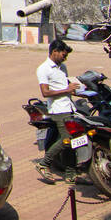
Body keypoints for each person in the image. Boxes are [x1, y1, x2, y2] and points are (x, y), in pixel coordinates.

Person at [34, 39, 83, 182]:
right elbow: (45, 92)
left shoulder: (63, 67)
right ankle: (44, 163)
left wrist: (74, 90)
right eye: (63, 54)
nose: (64, 58)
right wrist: (67, 90)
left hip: (68, 107)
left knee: (70, 142)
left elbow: (65, 85)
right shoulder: (43, 69)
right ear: (54, 52)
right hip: (58, 110)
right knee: (68, 139)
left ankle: (70, 173)